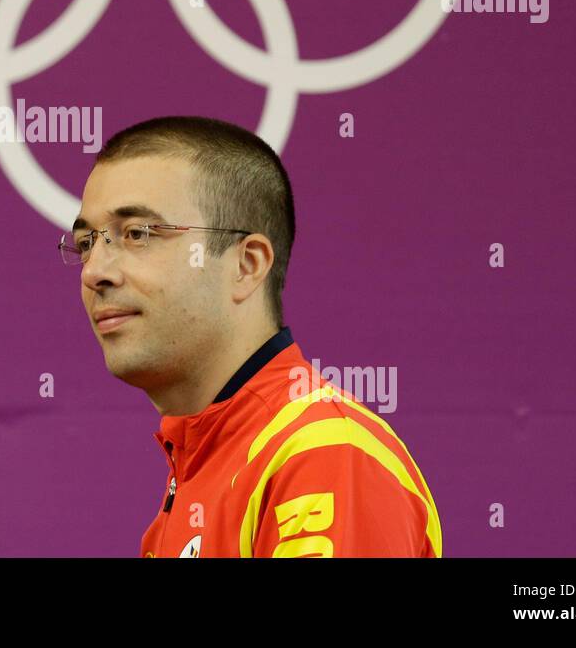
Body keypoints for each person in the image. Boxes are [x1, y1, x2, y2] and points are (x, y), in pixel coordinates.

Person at [62, 116, 442, 557]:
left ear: (247, 264)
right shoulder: (203, 458)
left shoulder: (323, 453)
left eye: (138, 233)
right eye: (87, 242)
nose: (95, 272)